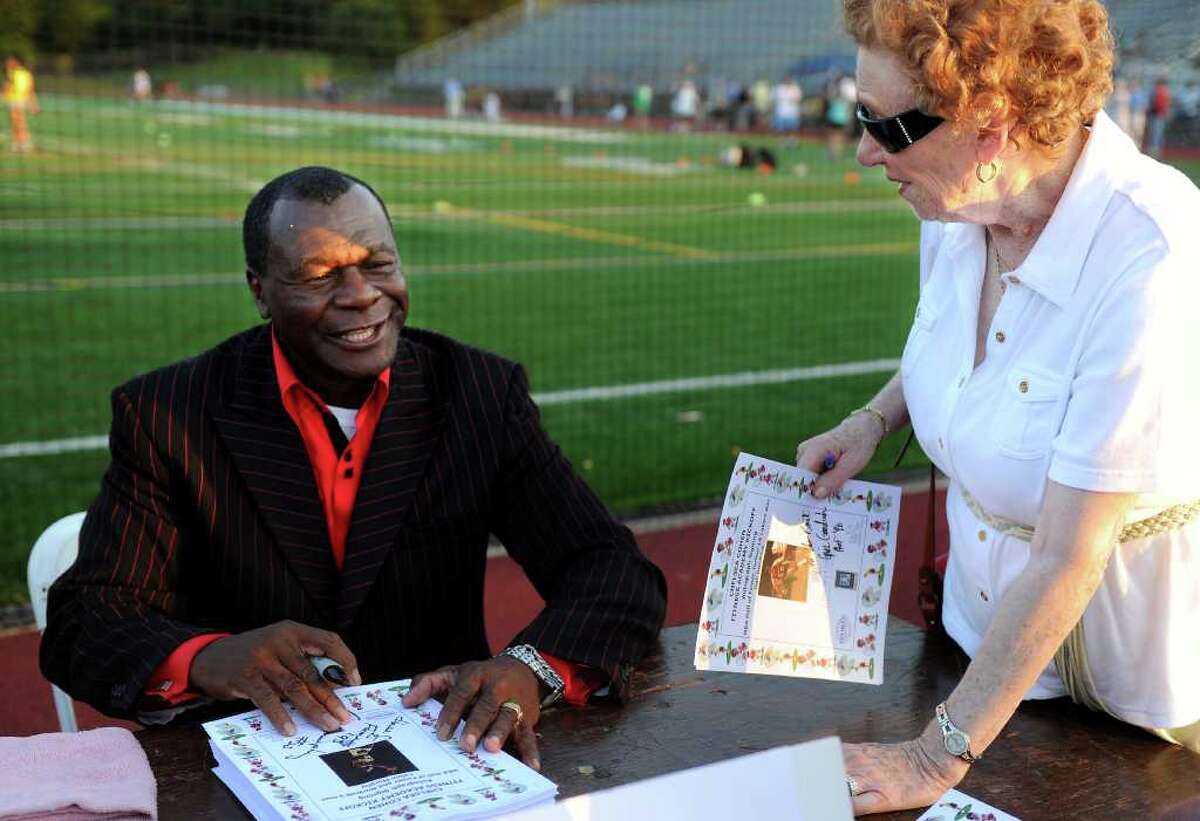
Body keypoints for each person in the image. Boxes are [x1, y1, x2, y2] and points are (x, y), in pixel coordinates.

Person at [41, 166, 667, 770]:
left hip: (446, 753)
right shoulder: (169, 414)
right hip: (250, 764)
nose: (361, 294)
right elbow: (86, 620)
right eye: (319, 276)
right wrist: (212, 657)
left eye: (379, 265)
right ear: (259, 290)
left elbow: (610, 569)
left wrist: (533, 667)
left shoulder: (479, 393)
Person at [796, 1, 1200, 814]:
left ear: (990, 122)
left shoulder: (1150, 251)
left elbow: (1068, 554)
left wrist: (931, 758)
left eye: (887, 126)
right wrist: (873, 420)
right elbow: (961, 351)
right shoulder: (958, 205)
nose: (866, 150)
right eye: (857, 115)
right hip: (979, 659)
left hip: (1137, 708)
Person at [3, 56, 38, 153]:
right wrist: (34, 103)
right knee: (18, 122)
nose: (7, 65)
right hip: (19, 100)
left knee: (18, 122)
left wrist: (34, 103)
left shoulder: (13, 73)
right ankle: (19, 144)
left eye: (10, 63)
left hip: (16, 100)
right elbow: (31, 89)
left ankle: (23, 144)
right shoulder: (27, 74)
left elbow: (8, 86)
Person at [1144, 77, 1171, 159]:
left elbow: (1151, 104)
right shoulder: (1164, 91)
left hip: (1155, 115)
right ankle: (1155, 153)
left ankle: (1154, 153)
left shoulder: (1156, 90)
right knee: (1157, 134)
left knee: (1154, 134)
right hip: (1159, 115)